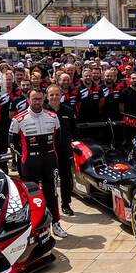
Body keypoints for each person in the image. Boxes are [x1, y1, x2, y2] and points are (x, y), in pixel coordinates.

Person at [9, 89, 68, 239]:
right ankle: (34, 227)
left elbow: (59, 140)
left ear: (43, 99)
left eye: (40, 99)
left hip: (50, 161)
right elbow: (11, 142)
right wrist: (23, 155)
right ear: (28, 99)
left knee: (53, 193)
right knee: (31, 196)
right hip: (30, 162)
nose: (37, 102)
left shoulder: (53, 116)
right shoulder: (18, 119)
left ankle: (56, 224)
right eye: (34, 99)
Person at [46, 85, 77, 217]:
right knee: (48, 180)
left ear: (61, 95)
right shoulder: (42, 110)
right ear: (47, 96)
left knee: (66, 178)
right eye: (51, 95)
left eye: (57, 94)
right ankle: (49, 205)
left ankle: (66, 204)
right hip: (48, 151)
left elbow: (74, 131)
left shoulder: (68, 111)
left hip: (64, 150)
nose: (54, 97)